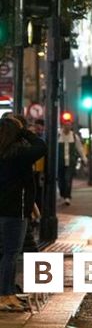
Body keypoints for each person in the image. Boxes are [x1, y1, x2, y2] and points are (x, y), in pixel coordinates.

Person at [0, 115, 46, 312]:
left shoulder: (4, 154)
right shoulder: (18, 155)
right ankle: (4, 296)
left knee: (6, 253)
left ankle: (8, 293)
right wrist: (22, 130)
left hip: (5, 210)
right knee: (11, 253)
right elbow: (41, 146)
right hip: (15, 211)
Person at [57, 124, 85, 206]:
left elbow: (79, 148)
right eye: (65, 125)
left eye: (69, 125)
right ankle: (63, 194)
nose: (67, 127)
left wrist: (84, 158)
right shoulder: (58, 135)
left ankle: (67, 196)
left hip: (70, 162)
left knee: (68, 179)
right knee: (60, 180)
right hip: (60, 162)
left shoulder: (74, 136)